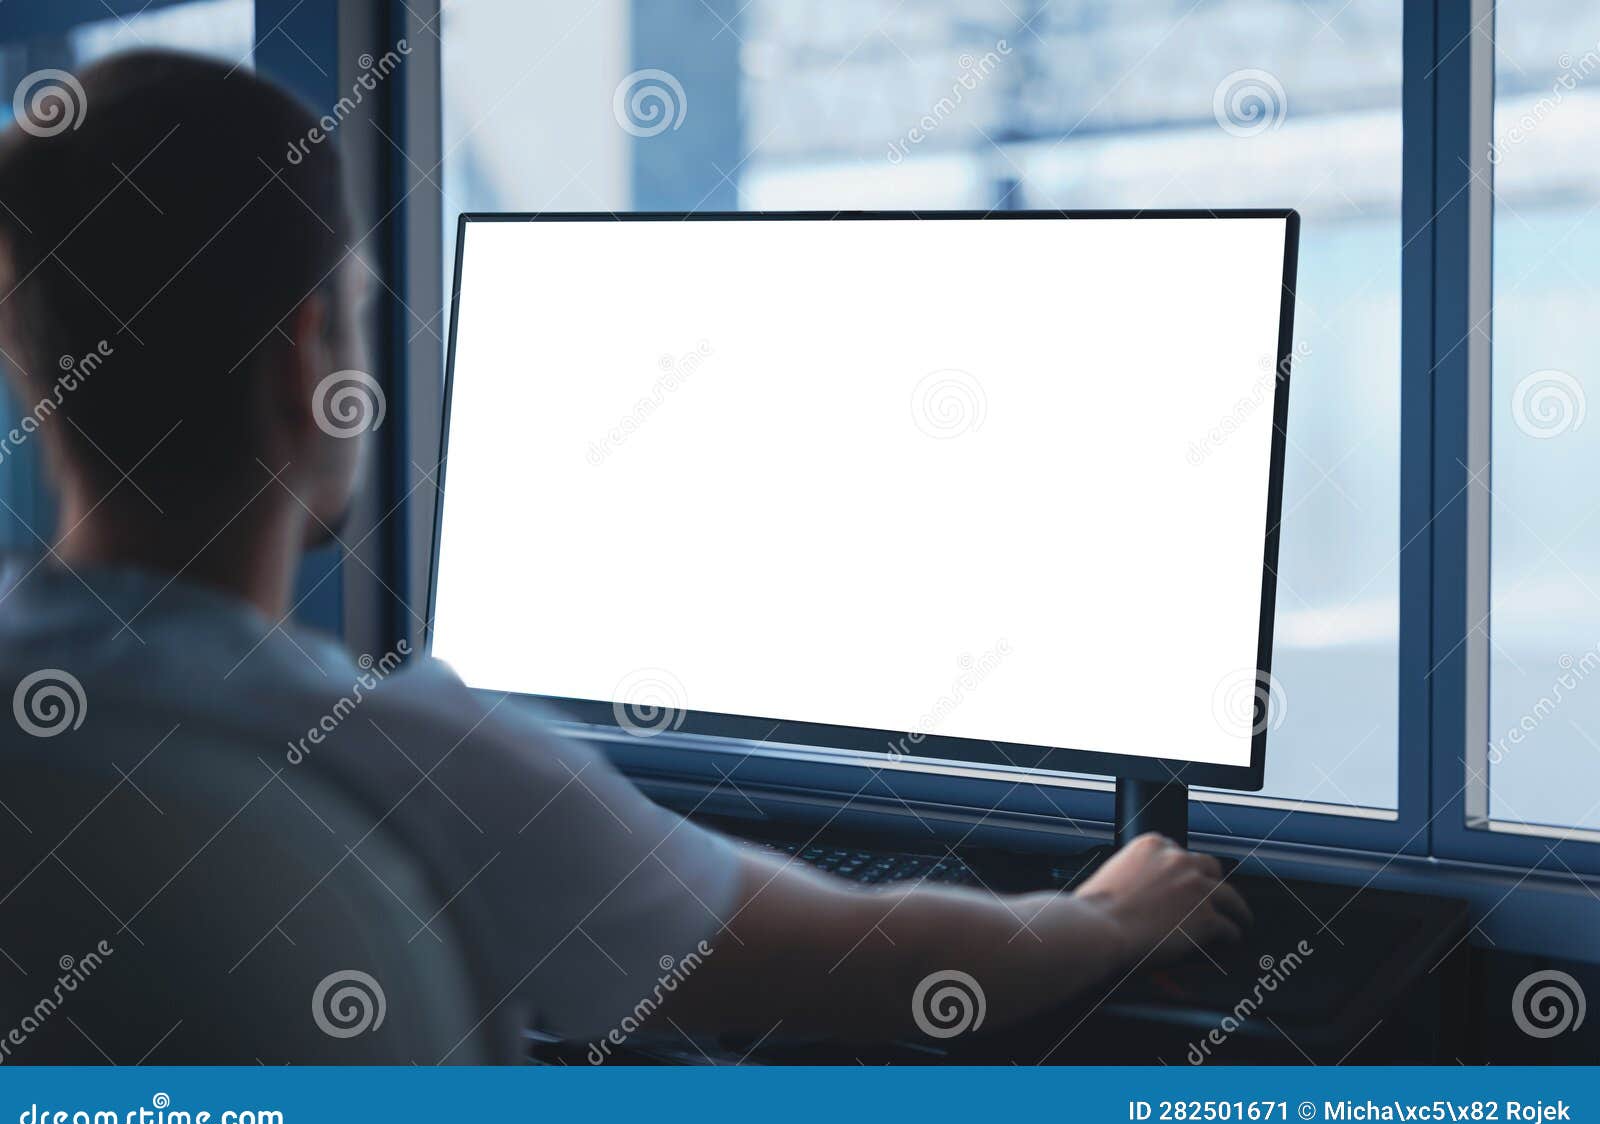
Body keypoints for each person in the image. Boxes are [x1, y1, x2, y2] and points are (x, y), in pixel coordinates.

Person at [0, 51, 1247, 1062]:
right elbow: (871, 964)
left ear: (29, 362)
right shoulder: (405, 761)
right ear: (303, 361)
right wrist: (1096, 917)